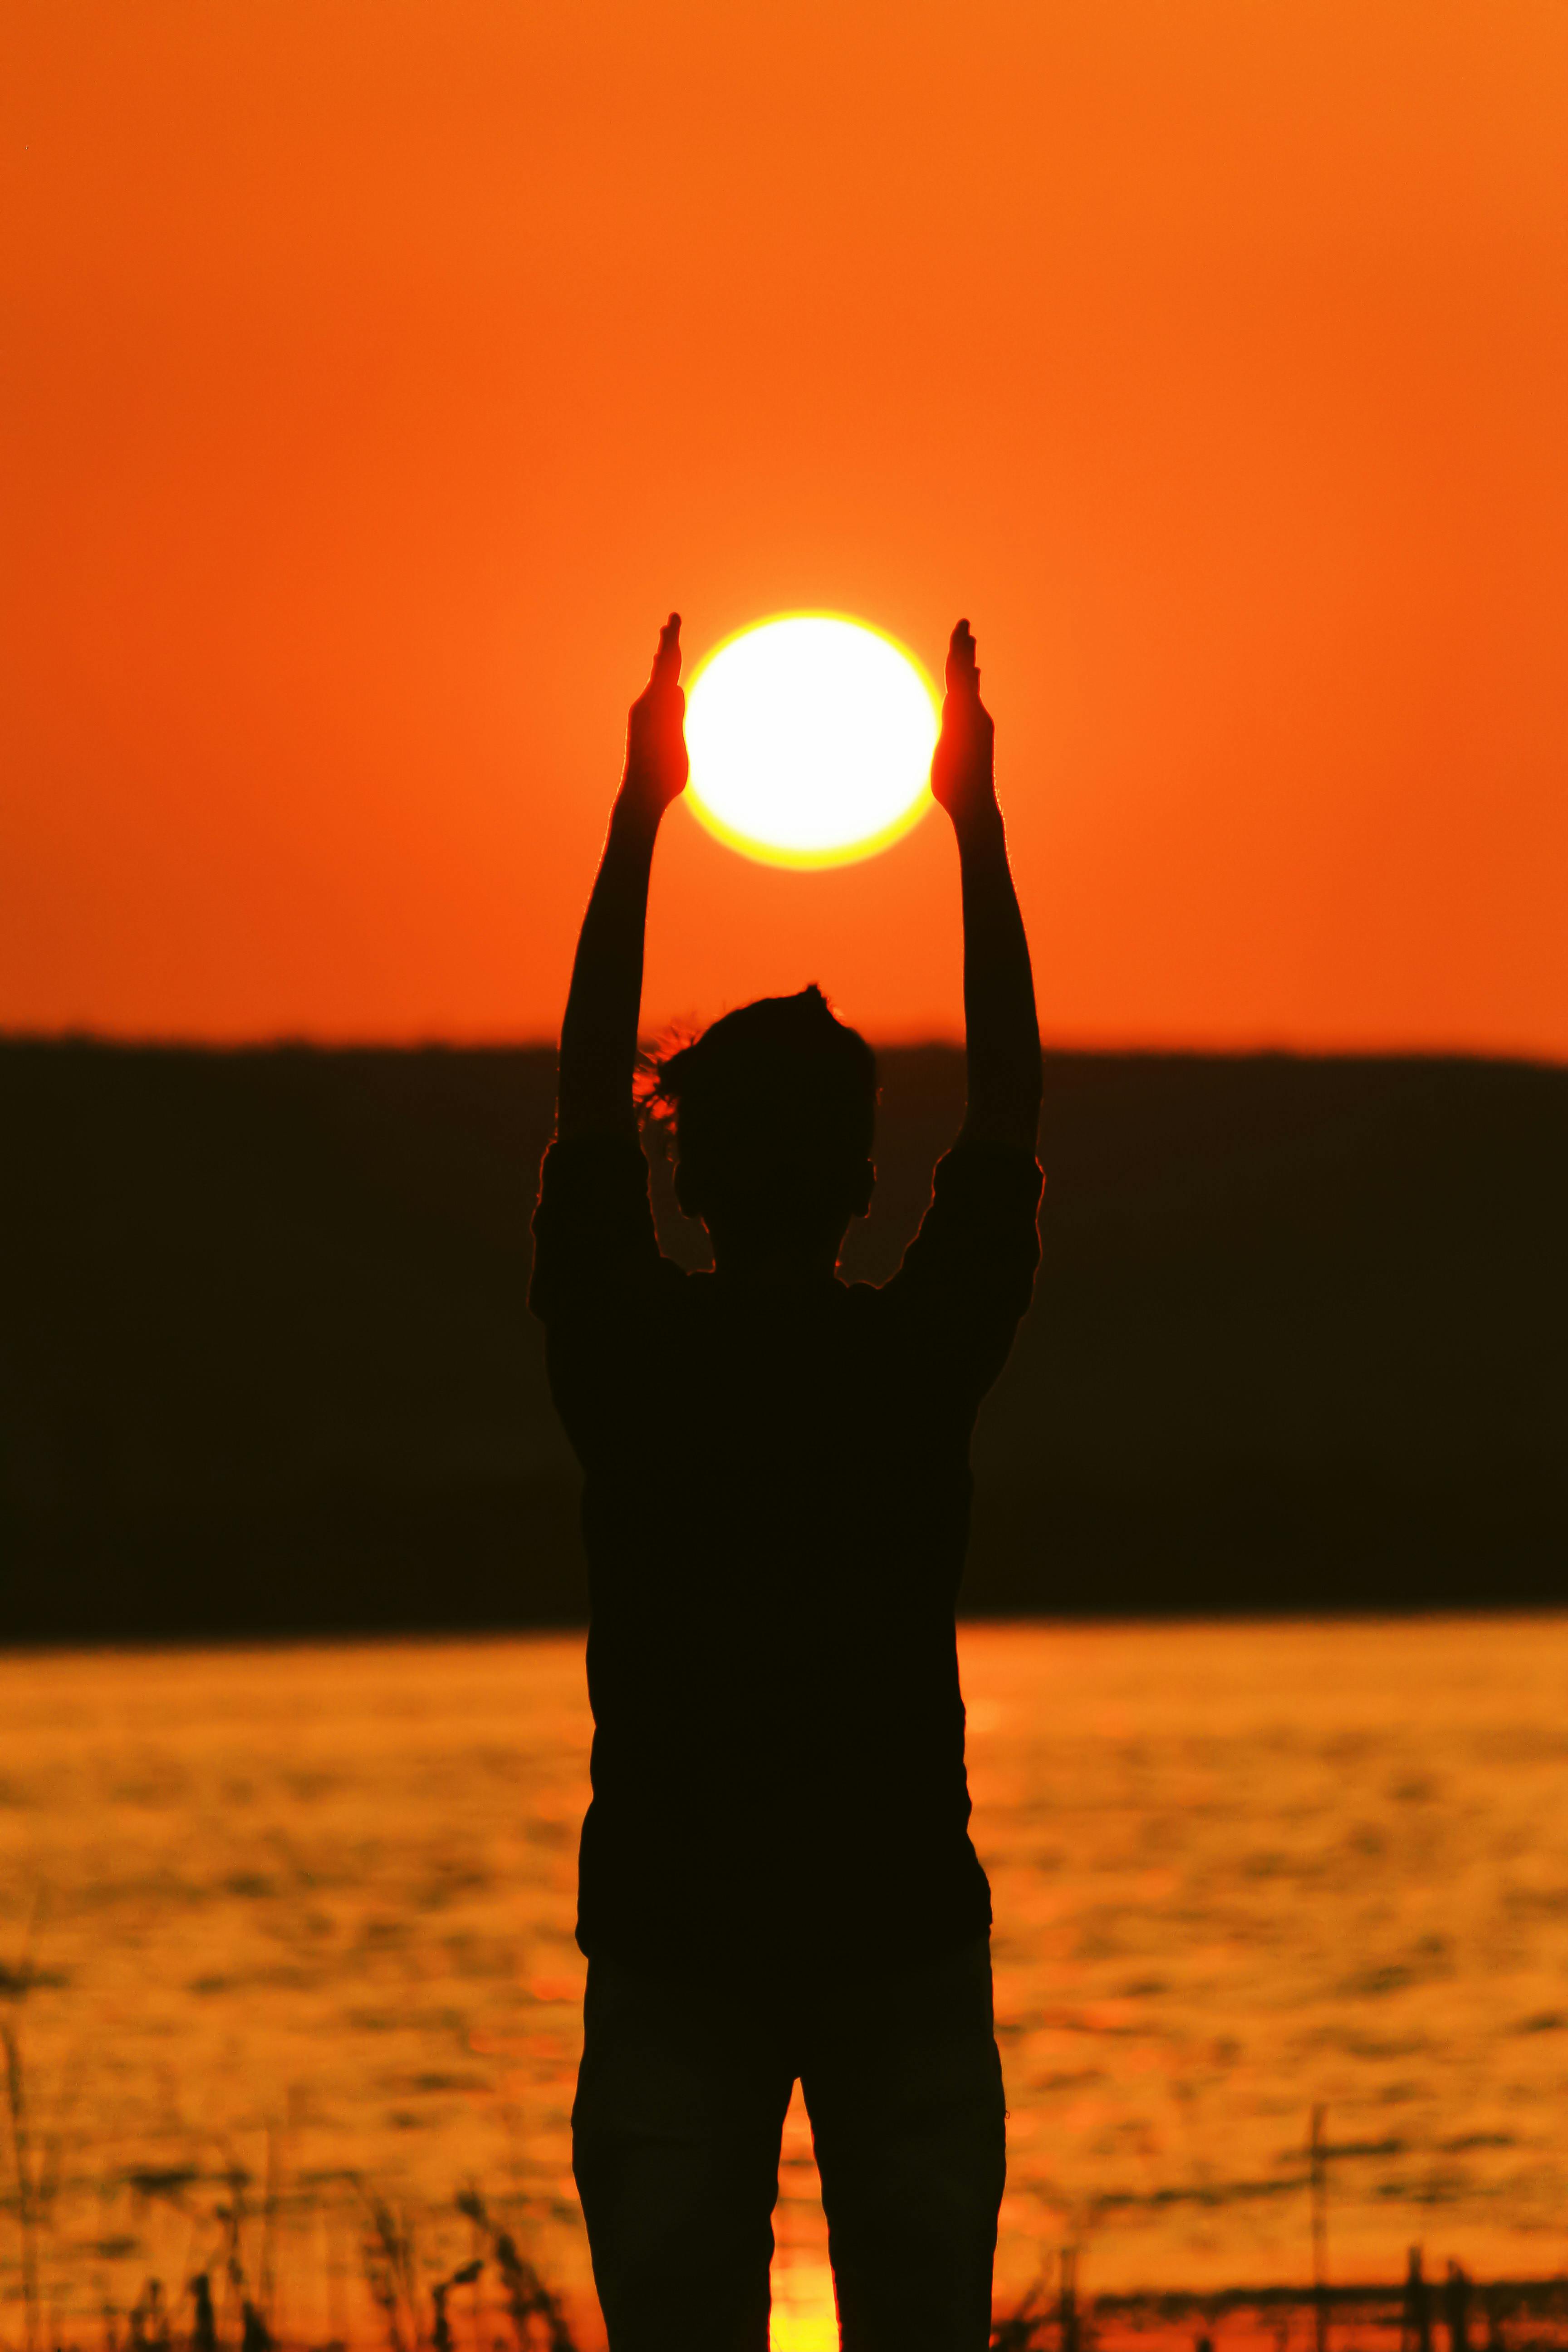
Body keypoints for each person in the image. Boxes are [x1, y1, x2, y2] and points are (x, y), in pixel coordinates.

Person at [530, 612, 1043, 2351]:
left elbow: (583, 1113)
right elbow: (1013, 1121)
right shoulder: (910, 1361)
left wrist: (635, 820)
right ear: (858, 1180)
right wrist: (975, 829)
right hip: (897, 1923)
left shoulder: (624, 1348)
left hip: (674, 1936)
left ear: (688, 1184)